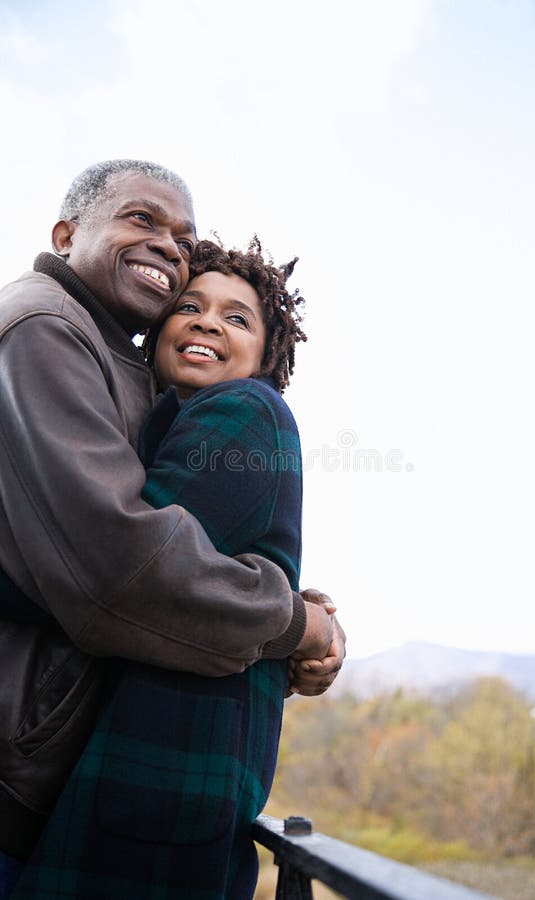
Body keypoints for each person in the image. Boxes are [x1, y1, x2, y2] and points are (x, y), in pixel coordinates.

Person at [0, 161, 345, 897]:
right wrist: (294, 624)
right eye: (141, 219)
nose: (167, 246)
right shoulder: (47, 328)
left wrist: (294, 611)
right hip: (30, 771)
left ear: (267, 355)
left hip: (69, 777)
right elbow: (125, 573)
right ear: (66, 234)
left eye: (183, 239)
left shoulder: (185, 400)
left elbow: (167, 554)